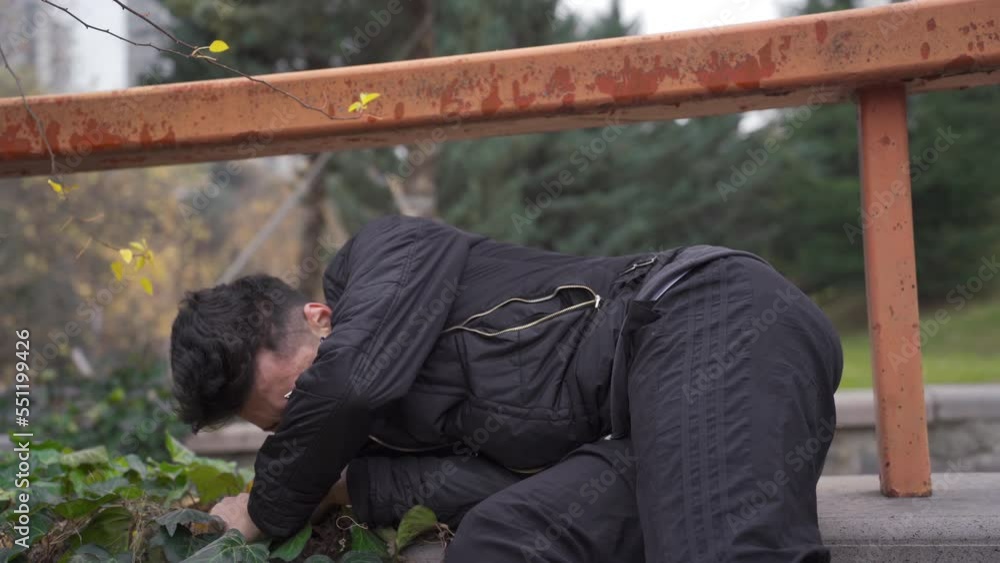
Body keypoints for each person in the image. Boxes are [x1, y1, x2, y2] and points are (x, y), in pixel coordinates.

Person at [170, 214, 843, 562]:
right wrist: (347, 486)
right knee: (499, 540)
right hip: (637, 440)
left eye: (296, 399)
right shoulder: (382, 436)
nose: (302, 425)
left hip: (704, 316)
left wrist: (265, 507)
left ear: (320, 319)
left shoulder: (386, 252)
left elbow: (348, 382)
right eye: (280, 428)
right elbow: (498, 487)